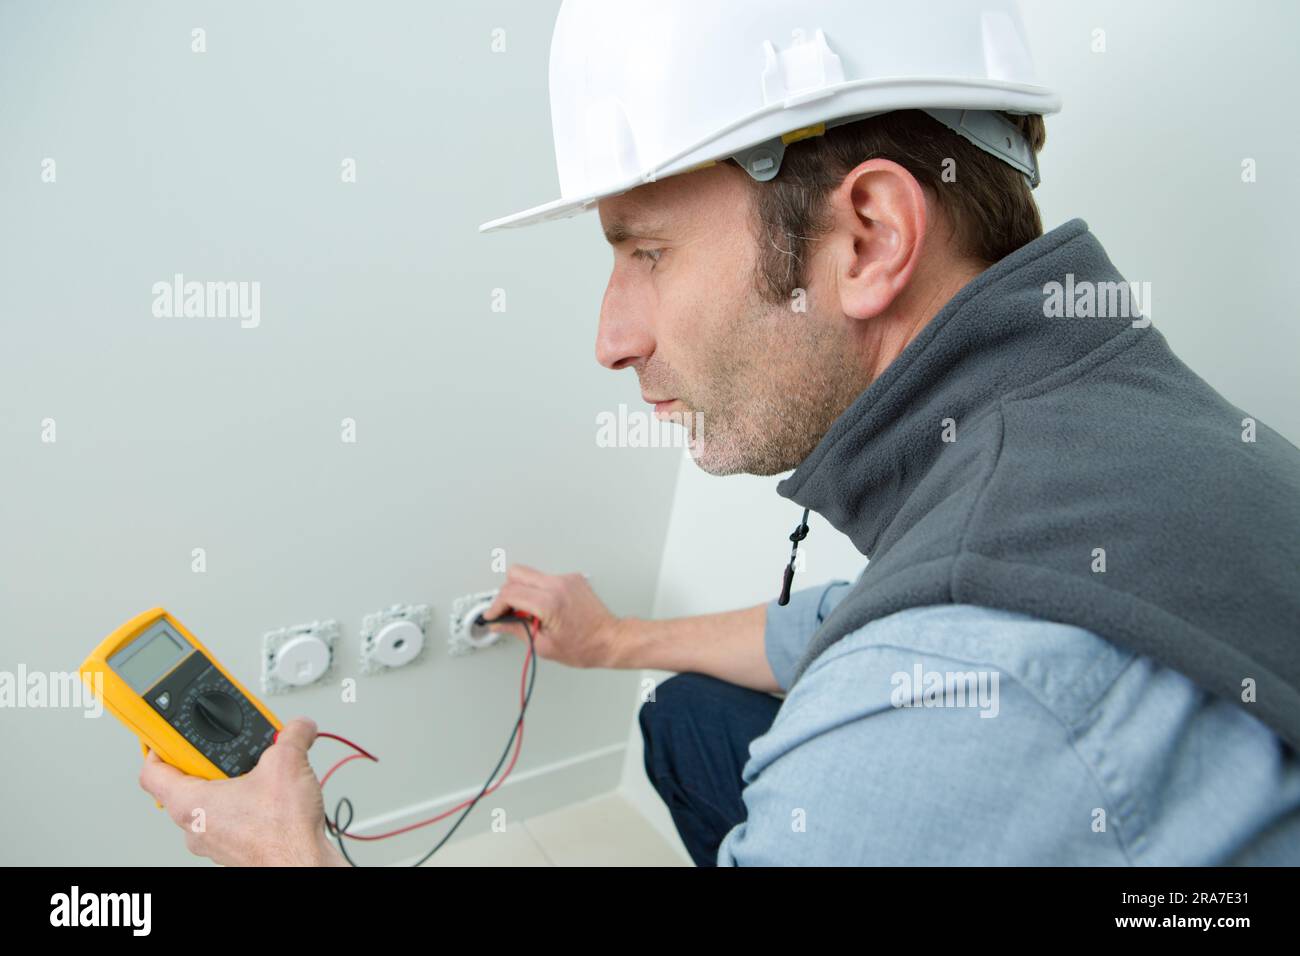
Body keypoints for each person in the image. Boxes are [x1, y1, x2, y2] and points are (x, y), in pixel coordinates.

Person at [142, 0, 1300, 865]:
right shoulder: (1108, 428)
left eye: (644, 250)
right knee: (689, 716)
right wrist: (617, 639)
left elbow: (923, 668)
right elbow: (843, 623)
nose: (609, 336)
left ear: (866, 238)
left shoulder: (954, 693)